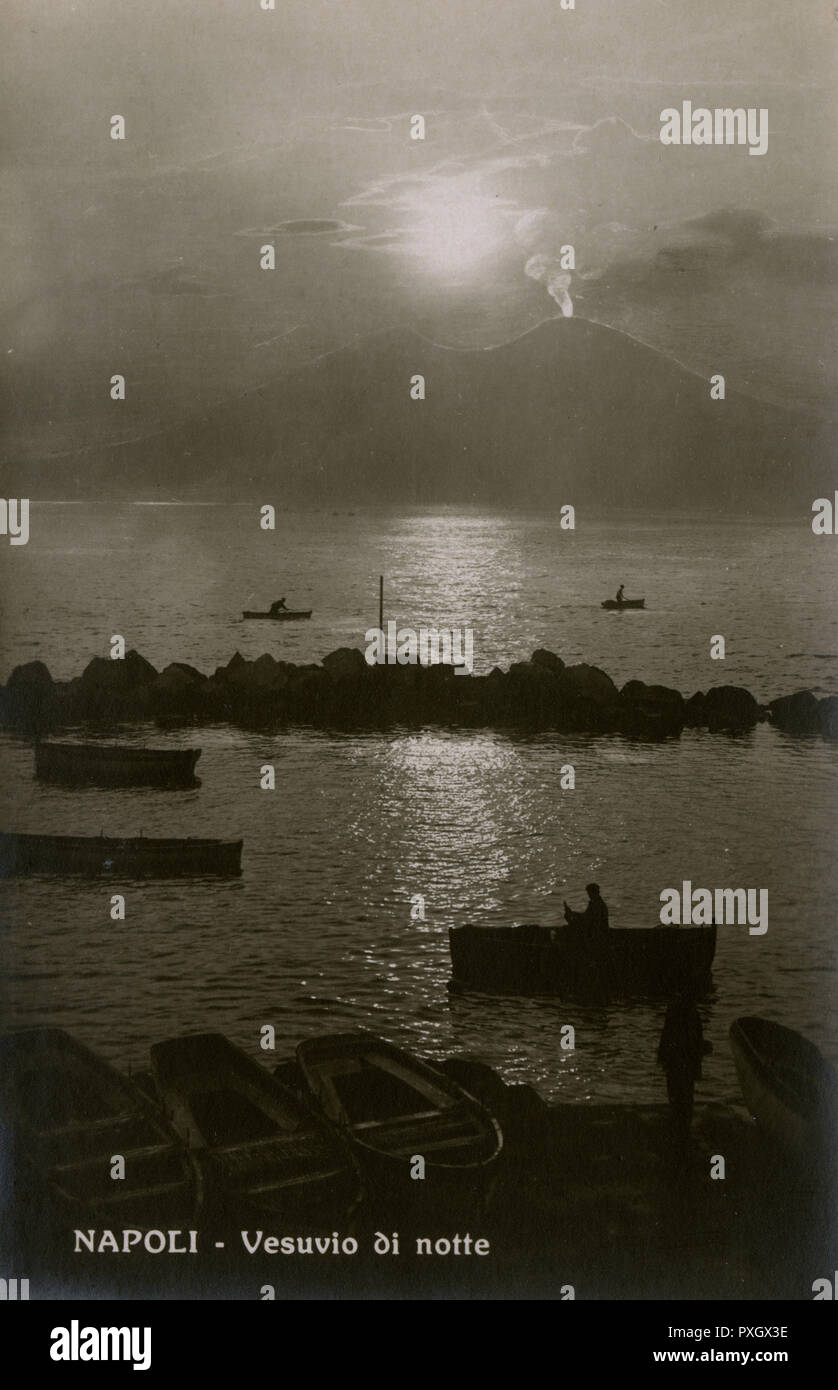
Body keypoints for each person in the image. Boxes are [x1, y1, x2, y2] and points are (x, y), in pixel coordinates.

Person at [657, 991, 709, 1139]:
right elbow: (689, 1041)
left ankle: (679, 1130)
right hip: (683, 1062)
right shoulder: (689, 1015)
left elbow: (667, 1038)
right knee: (684, 1098)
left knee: (678, 1097)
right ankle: (681, 1131)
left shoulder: (676, 1012)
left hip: (678, 1061)